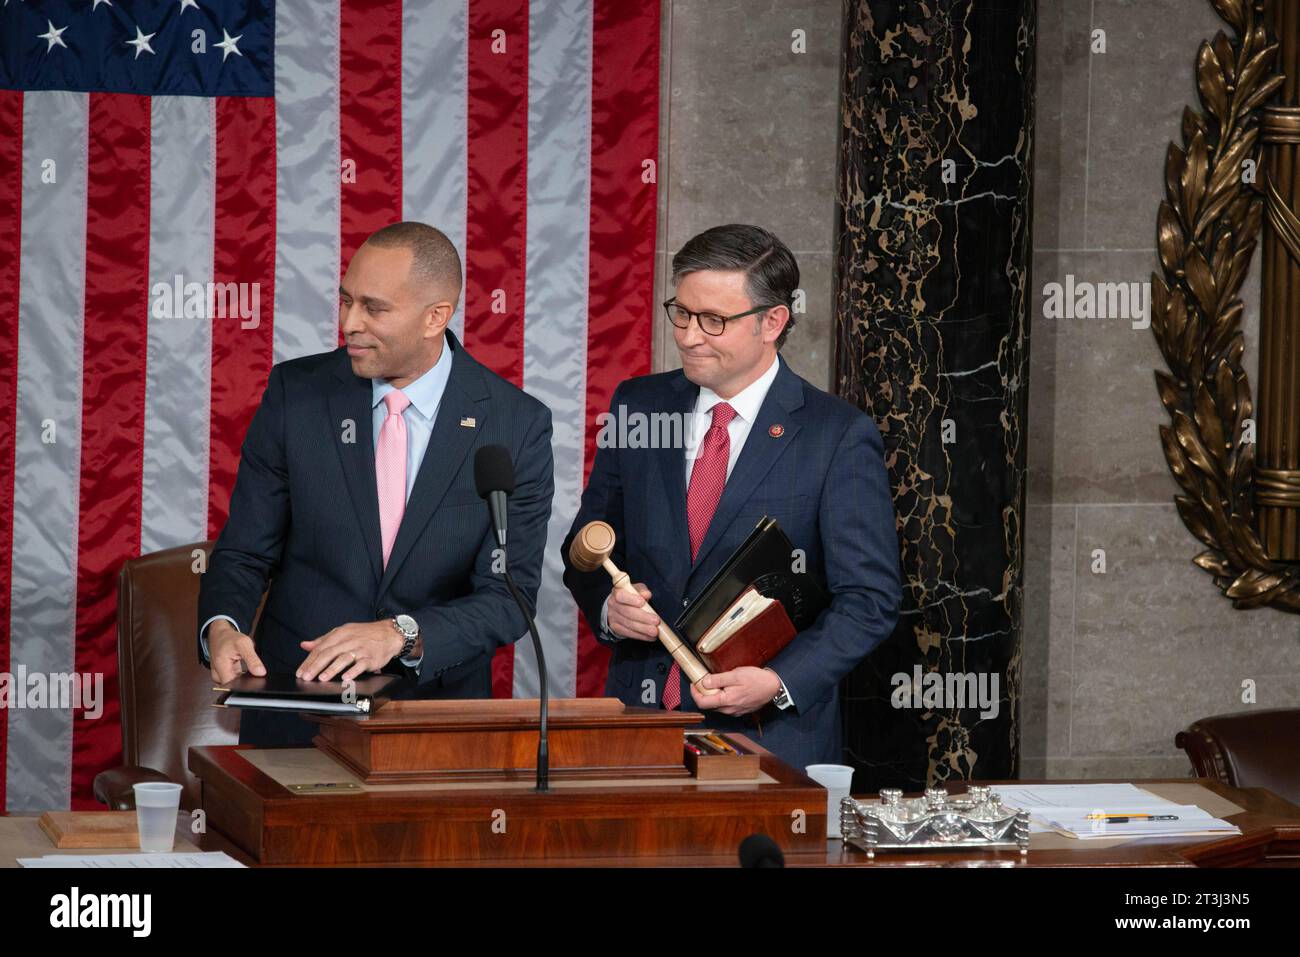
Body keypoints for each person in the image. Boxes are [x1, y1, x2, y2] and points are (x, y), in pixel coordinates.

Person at [198, 222, 554, 745]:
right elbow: (245, 551)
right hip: (296, 717)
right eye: (345, 301)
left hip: (432, 726)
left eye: (374, 308)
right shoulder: (296, 396)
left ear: (436, 316)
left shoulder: (515, 424)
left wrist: (399, 634)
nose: (349, 323)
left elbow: (507, 597)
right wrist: (221, 626)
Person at [561, 223, 900, 769]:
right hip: (637, 733)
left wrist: (777, 680)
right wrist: (607, 607)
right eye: (682, 312)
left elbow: (869, 600)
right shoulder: (638, 405)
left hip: (770, 741)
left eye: (714, 320)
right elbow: (587, 546)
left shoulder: (836, 435)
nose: (689, 335)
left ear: (773, 321)